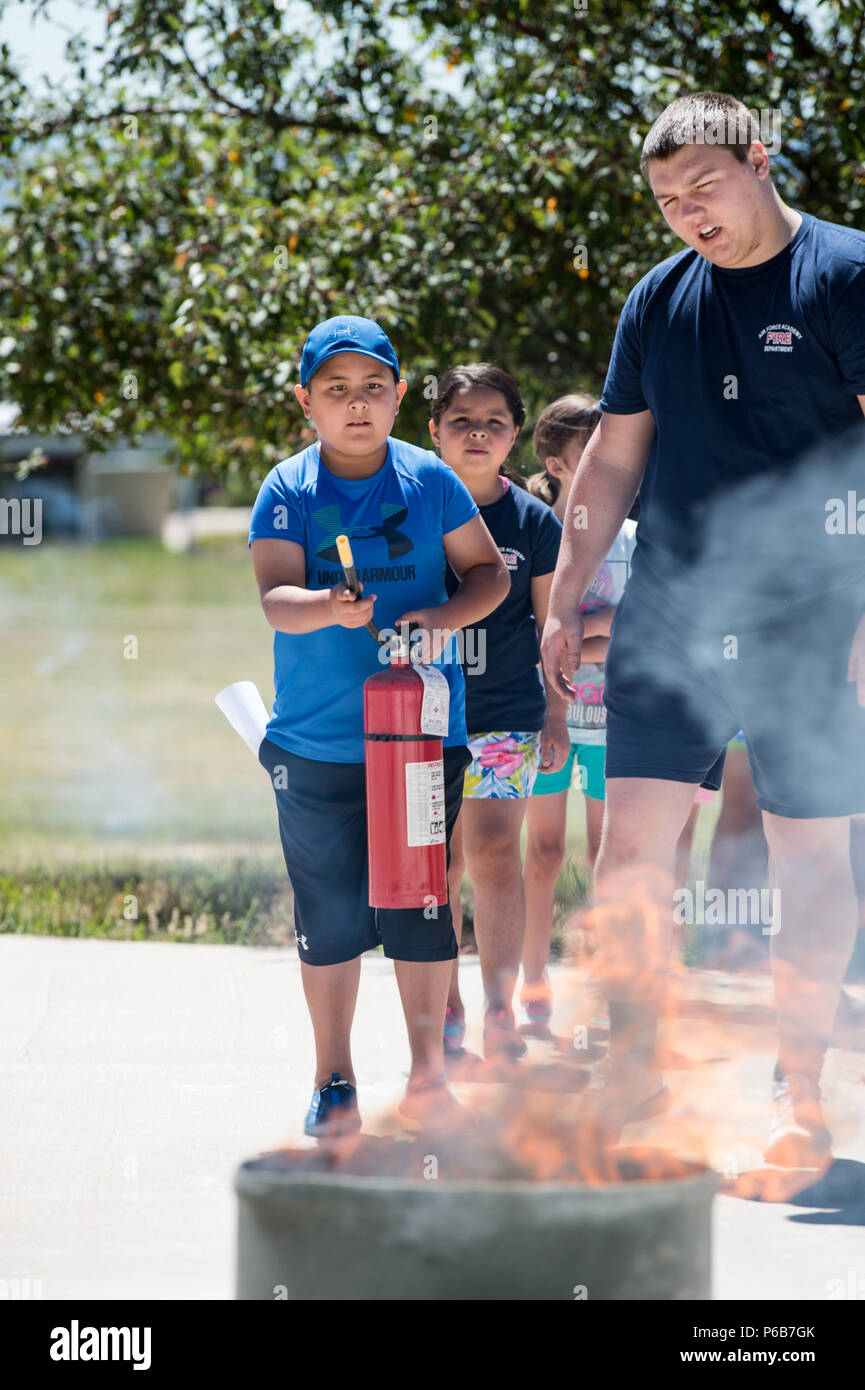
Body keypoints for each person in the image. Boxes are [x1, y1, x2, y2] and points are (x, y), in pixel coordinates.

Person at [542, 90, 865, 1166]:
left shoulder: (844, 275)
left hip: (810, 617)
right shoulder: (655, 299)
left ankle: (798, 1092)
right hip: (673, 610)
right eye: (667, 199)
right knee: (631, 844)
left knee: (805, 851)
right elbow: (615, 455)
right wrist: (566, 579)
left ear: (759, 159)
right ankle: (635, 1069)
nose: (688, 213)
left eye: (705, 186)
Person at [248, 315, 509, 1135]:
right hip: (316, 744)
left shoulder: (429, 480)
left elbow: (488, 574)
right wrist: (328, 605)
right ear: (305, 402)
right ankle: (334, 1080)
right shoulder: (288, 490)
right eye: (335, 391)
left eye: (372, 389)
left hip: (423, 739)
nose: (355, 406)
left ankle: (429, 1078)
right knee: (327, 915)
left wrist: (439, 615)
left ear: (399, 396)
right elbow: (275, 603)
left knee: (420, 906)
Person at [427, 364, 568, 1060]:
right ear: (432, 431)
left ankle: (497, 1010)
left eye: (493, 422)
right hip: (420, 717)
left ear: (514, 434)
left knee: (490, 853)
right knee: (437, 865)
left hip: (504, 714)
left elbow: (549, 628)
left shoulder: (533, 523)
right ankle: (444, 1004)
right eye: (460, 420)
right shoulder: (410, 508)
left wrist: (557, 715)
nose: (476, 433)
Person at [522, 395, 636, 1035]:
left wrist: (572, 631)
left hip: (610, 725)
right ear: (556, 462)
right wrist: (583, 634)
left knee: (603, 854)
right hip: (545, 723)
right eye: (589, 449)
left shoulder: (632, 538)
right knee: (540, 853)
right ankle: (533, 982)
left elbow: (632, 625)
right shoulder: (538, 536)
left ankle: (598, 996)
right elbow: (532, 631)